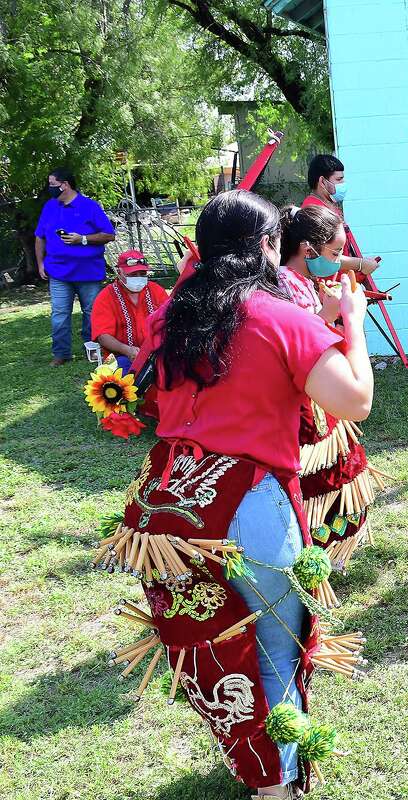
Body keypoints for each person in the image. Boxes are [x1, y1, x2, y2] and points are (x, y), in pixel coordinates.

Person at [96, 190, 374, 798]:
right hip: (247, 502)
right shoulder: (278, 316)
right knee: (276, 648)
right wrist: (351, 322)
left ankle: (258, 764)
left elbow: (144, 393)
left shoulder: (172, 315)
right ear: (268, 247)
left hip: (166, 509)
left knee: (211, 647)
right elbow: (355, 400)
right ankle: (274, 786)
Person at [278, 203, 387, 573]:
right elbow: (293, 343)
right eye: (335, 253)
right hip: (304, 409)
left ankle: (332, 552)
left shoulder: (305, 279)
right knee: (316, 483)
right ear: (307, 249)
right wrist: (331, 314)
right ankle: (314, 554)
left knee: (338, 474)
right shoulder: (282, 283)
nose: (339, 262)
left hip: (322, 403)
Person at [34, 167, 116, 365]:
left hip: (88, 272)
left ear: (65, 185)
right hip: (58, 271)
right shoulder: (50, 207)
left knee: (92, 313)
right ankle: (61, 354)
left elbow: (109, 235)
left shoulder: (90, 206)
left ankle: (93, 350)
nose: (49, 188)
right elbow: (39, 236)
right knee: (59, 314)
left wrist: (83, 239)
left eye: (52, 184)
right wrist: (40, 263)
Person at [90, 249, 170, 373]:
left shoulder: (156, 290)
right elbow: (103, 336)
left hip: (157, 352)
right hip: (119, 356)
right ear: (119, 272)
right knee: (118, 379)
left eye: (142, 273)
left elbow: (170, 320)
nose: (138, 278)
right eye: (132, 274)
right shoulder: (105, 296)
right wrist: (126, 350)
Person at [301, 154, 381, 277]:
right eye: (339, 180)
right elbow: (322, 256)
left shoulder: (329, 205)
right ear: (322, 181)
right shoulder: (314, 210)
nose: (343, 184)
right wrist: (360, 264)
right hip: (328, 285)